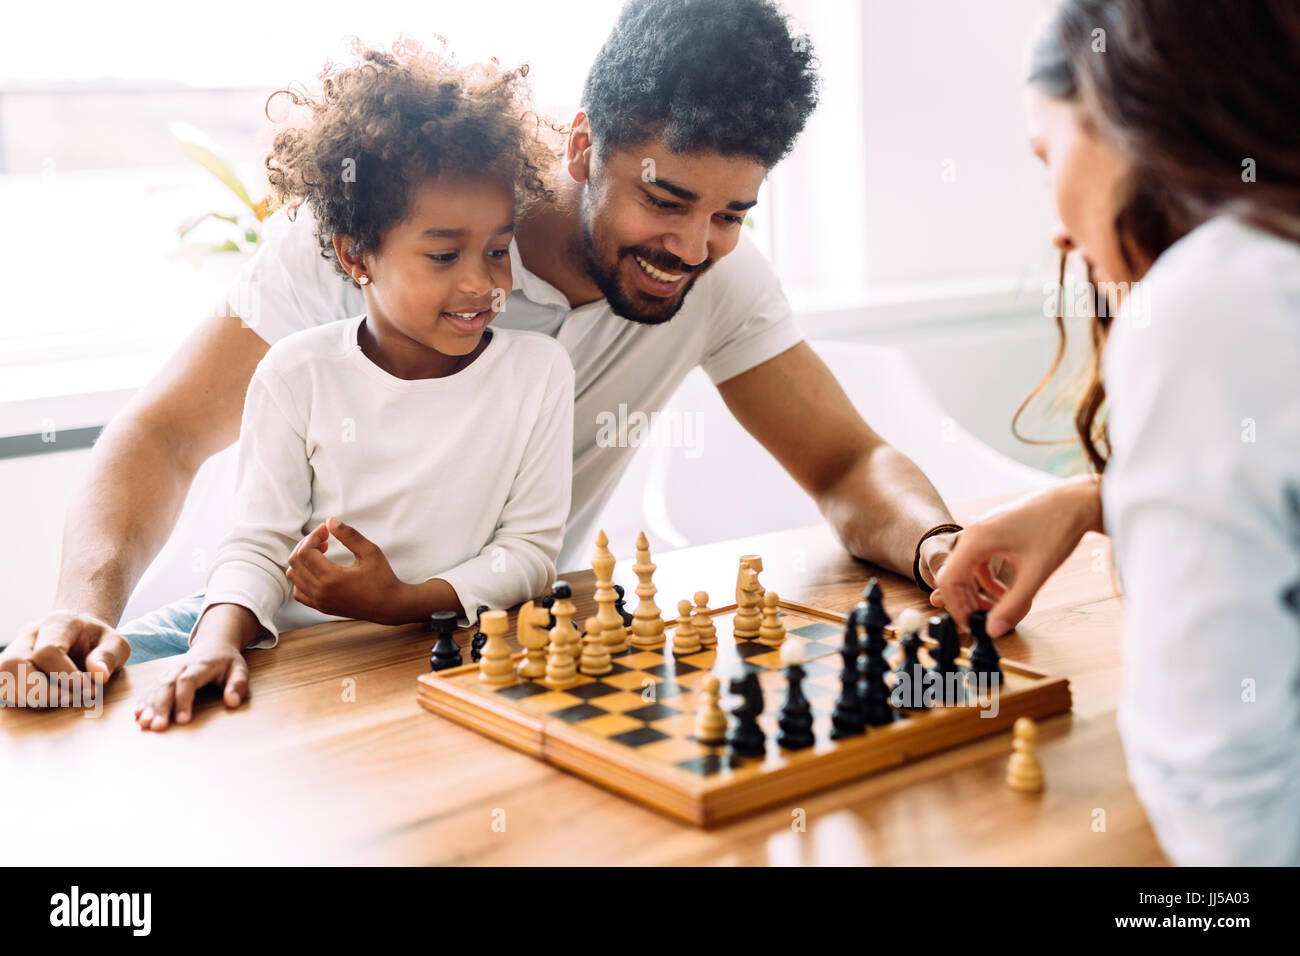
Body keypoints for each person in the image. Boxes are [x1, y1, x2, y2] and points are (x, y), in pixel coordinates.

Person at [5, 0, 967, 697]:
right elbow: (166, 435)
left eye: (730, 215)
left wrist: (936, 543)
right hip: (273, 636)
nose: (691, 248)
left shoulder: (720, 276)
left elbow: (849, 462)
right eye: (666, 200)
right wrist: (76, 605)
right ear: (584, 147)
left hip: (477, 654)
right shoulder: (389, 229)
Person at [936, 0, 1300, 865]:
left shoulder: (1213, 301)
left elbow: (1223, 801)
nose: (1058, 227)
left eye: (1045, 154)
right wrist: (1100, 499)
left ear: (1126, 116)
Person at [128, 42, 574, 729]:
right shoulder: (296, 373)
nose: (482, 283)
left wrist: (402, 600)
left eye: (496, 250)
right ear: (354, 254)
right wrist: (215, 644)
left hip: (422, 639)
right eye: (443, 253)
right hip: (263, 625)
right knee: (70, 675)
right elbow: (256, 547)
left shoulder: (537, 374)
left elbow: (529, 555)